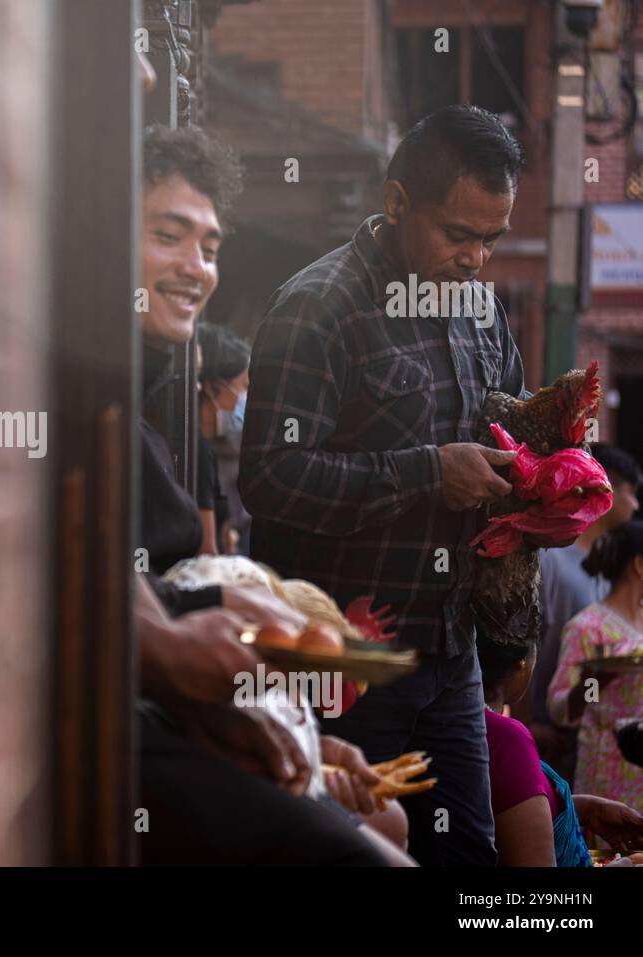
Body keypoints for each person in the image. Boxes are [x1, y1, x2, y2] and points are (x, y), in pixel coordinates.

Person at [240, 104, 532, 866]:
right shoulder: (319, 307)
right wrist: (427, 471)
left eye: (491, 241)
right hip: (347, 665)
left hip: (453, 652)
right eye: (458, 235)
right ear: (398, 202)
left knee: (470, 858)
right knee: (352, 855)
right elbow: (271, 478)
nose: (475, 260)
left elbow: (514, 440)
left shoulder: (482, 312)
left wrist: (545, 486)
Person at [133, 125, 406, 866]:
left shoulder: (136, 404)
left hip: (171, 709)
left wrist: (299, 733)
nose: (196, 268)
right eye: (169, 235)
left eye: (211, 247)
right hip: (111, 732)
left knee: (390, 825)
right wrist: (184, 637)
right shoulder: (65, 387)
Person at [519, 445, 641, 779]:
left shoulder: (607, 575)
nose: (636, 504)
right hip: (542, 731)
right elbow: (525, 641)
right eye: (632, 493)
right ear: (606, 487)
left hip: (580, 739)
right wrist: (525, 723)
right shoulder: (550, 559)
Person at [479, 633, 643, 865]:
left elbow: (501, 810)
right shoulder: (505, 737)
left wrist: (585, 809)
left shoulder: (456, 722)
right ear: (522, 662)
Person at [548, 522, 643, 811]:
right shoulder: (588, 628)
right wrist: (597, 680)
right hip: (610, 772)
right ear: (639, 565)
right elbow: (563, 713)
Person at [195, 323, 250, 554]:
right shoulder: (197, 455)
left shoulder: (206, 450)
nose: (249, 399)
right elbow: (206, 553)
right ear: (213, 386)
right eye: (245, 387)